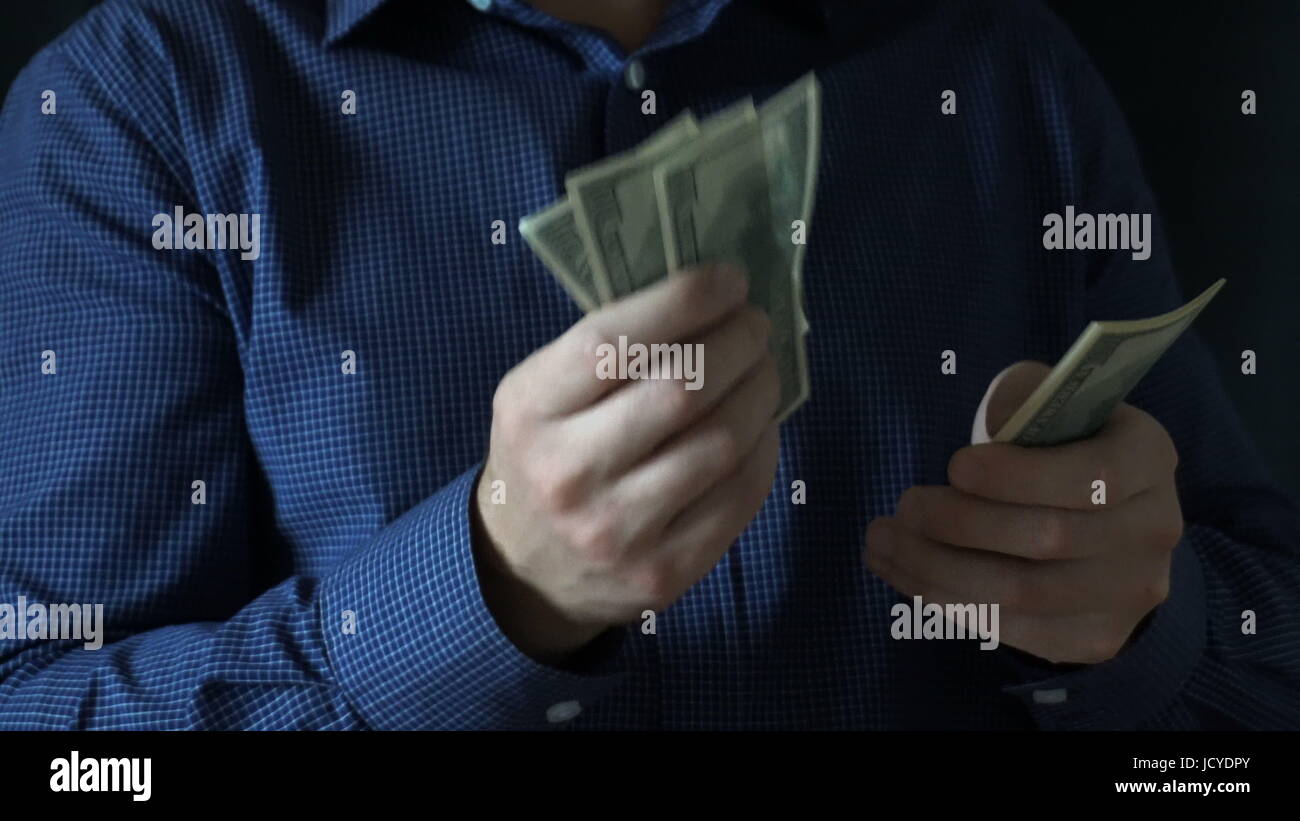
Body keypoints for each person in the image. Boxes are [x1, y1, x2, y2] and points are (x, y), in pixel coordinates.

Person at [0, 0, 1296, 730]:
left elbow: (1267, 639)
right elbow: (51, 733)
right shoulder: (145, 105)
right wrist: (481, 596)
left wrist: (1143, 619)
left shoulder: (1003, 67)